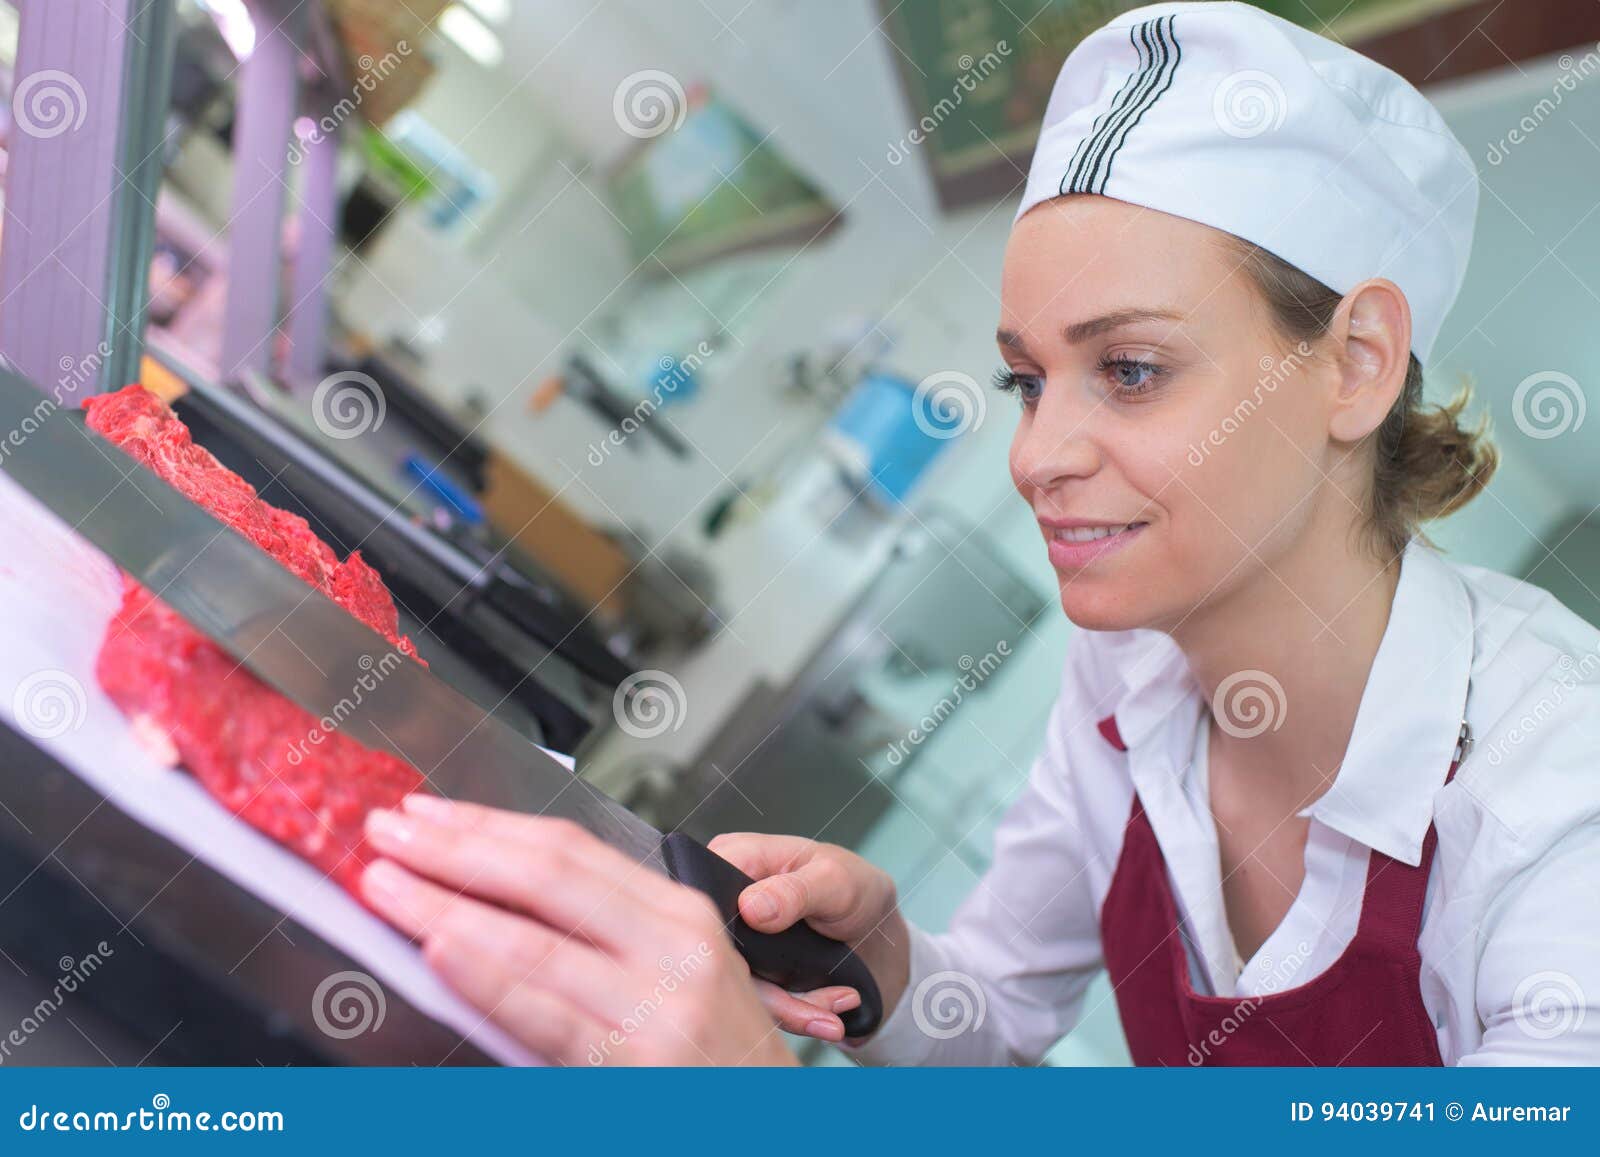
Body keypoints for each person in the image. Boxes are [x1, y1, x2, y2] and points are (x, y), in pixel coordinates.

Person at [358, 1, 1600, 1065]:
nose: (1035, 455)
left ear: (1355, 365)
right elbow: (999, 1013)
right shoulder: (1132, 675)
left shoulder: (1556, 806)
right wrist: (891, 962)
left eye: (1128, 367)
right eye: (1027, 380)